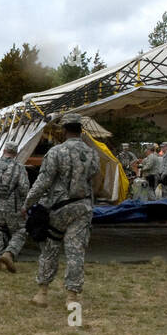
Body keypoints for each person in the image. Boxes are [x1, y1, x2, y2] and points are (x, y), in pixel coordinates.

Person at [23, 113, 99, 306]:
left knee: (50, 249)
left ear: (64, 130)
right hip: (82, 207)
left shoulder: (56, 152)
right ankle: (72, 296)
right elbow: (94, 179)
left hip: (58, 208)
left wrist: (28, 203)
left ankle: (42, 292)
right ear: (81, 130)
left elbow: (43, 181)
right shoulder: (92, 153)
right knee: (76, 252)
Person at [0, 140, 30, 273]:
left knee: (0, 230)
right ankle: (9, 254)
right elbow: (24, 188)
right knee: (20, 231)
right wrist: (25, 203)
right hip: (14, 206)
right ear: (16, 153)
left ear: (4, 151)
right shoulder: (19, 167)